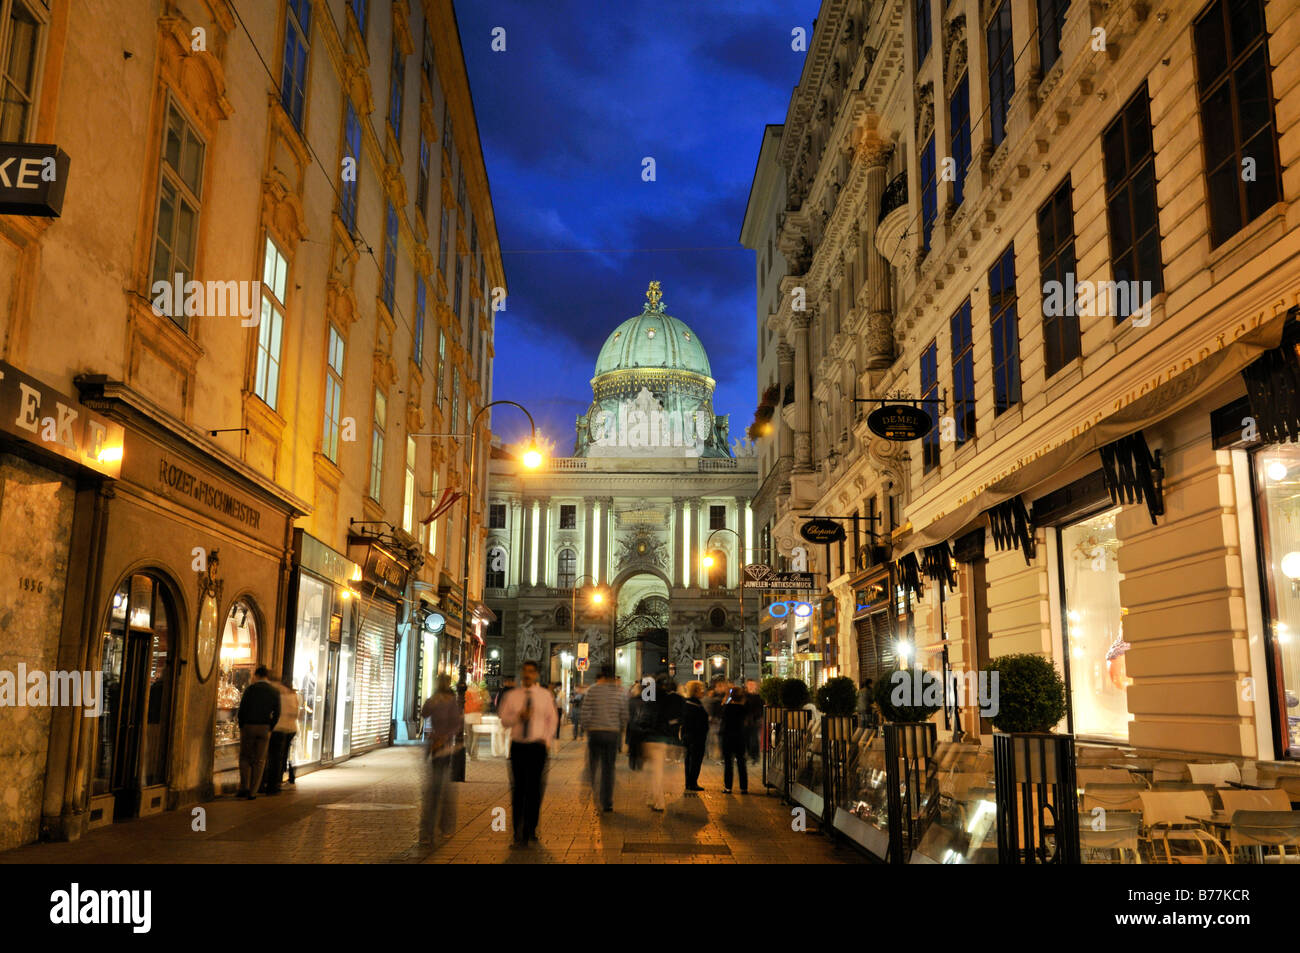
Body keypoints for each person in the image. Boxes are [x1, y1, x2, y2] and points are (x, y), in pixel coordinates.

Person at [497, 660, 557, 847]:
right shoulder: (512, 696)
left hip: (537, 746)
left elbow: (552, 719)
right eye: (525, 671)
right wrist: (518, 717)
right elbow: (504, 720)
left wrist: (546, 740)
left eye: (531, 671)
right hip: (518, 746)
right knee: (518, 788)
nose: (527, 674)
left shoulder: (545, 695)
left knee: (534, 789)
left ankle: (531, 828)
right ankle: (518, 831)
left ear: (536, 674)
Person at [419, 674, 462, 847]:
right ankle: (430, 831)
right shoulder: (436, 699)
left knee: (440, 789)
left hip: (445, 747)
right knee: (435, 790)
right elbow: (424, 712)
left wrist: (445, 737)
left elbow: (456, 724)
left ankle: (442, 827)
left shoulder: (451, 701)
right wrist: (431, 701)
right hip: (435, 747)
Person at [581, 666, 627, 811]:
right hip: (612, 733)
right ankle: (607, 802)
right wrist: (621, 728)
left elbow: (585, 712)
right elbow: (624, 714)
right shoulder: (619, 692)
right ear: (613, 677)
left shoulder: (592, 690)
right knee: (608, 768)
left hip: (595, 733)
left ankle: (595, 794)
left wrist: (586, 728)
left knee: (594, 765)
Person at [236, 666, 280, 800]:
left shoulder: (250, 689)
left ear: (257, 675)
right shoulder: (274, 691)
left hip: (248, 726)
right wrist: (270, 727)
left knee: (245, 757)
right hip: (264, 727)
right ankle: (253, 792)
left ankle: (244, 787)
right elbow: (277, 712)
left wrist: (242, 725)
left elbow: (242, 709)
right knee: (259, 760)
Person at [642, 676, 684, 811]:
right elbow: (678, 717)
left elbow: (645, 717)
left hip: (650, 738)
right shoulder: (672, 699)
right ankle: (653, 798)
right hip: (662, 738)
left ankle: (657, 801)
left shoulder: (650, 698)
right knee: (656, 771)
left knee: (654, 771)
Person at [260, 675, 299, 794]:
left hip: (278, 728)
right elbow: (296, 714)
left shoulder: (276, 692)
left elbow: (274, 711)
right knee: (281, 757)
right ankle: (276, 783)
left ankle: (269, 785)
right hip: (290, 729)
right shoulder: (293, 695)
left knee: (273, 757)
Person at [720, 683, 749, 794]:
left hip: (728, 737)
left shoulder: (727, 708)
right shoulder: (743, 709)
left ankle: (728, 787)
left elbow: (722, 712)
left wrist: (727, 696)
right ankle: (744, 788)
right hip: (740, 737)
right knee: (741, 762)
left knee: (728, 763)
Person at [681, 680, 709, 792]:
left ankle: (689, 782)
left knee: (688, 760)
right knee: (695, 760)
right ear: (695, 691)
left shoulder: (686, 703)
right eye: (701, 689)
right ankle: (693, 783)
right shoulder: (696, 705)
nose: (703, 691)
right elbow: (699, 722)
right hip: (697, 737)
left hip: (687, 736)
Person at [626, 682, 647, 770]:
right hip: (642, 728)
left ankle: (632, 764)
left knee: (632, 746)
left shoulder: (630, 701)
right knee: (640, 747)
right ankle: (640, 764)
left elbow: (627, 715)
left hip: (632, 727)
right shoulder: (646, 701)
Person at [743, 678, 764, 764]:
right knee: (747, 738)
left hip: (755, 720)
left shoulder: (759, 697)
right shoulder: (744, 696)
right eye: (749, 684)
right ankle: (750, 755)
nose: (751, 686)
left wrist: (759, 717)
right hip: (746, 720)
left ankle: (755, 756)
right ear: (746, 685)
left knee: (754, 739)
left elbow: (761, 709)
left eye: (753, 684)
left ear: (755, 686)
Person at [464, 682, 484, 760]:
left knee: (469, 736)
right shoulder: (476, 693)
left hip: (467, 716)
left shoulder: (465, 694)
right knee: (476, 737)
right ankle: (473, 755)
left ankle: (469, 751)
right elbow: (479, 704)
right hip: (476, 716)